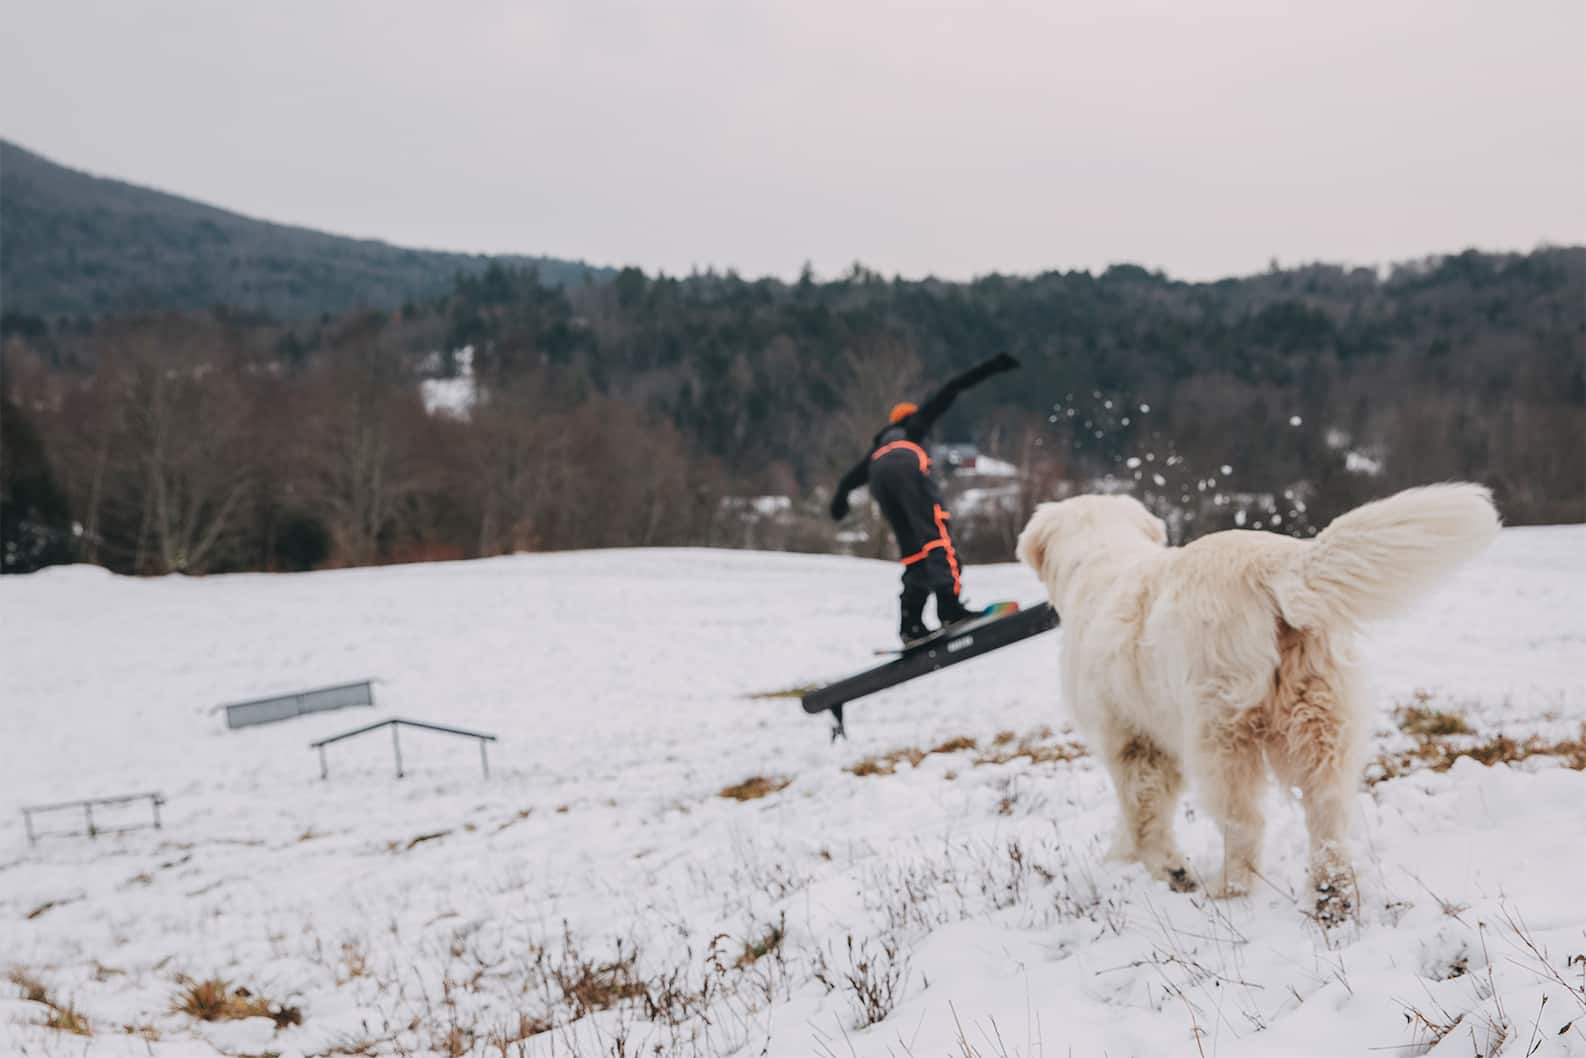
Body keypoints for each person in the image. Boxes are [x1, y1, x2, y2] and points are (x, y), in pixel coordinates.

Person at [829, 353, 1021, 643]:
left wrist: (839, 502)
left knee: (914, 552)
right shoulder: (915, 425)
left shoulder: (878, 447)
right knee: (936, 536)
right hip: (908, 466)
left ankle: (911, 623)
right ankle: (949, 608)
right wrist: (993, 366)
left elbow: (849, 480)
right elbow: (952, 388)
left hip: (879, 477)